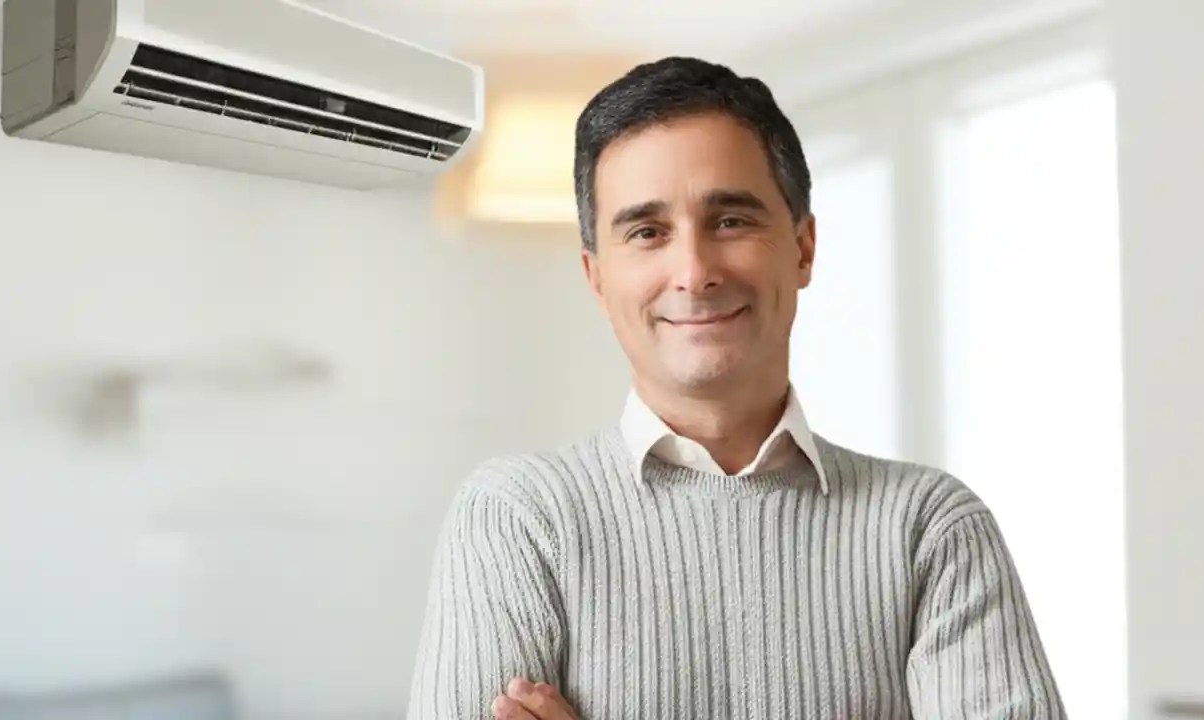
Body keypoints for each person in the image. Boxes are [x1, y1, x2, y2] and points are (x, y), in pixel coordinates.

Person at [406, 57, 1064, 720]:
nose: (694, 271)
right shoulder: (519, 518)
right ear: (596, 277)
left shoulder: (930, 529)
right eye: (647, 232)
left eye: (730, 221)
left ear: (803, 248)